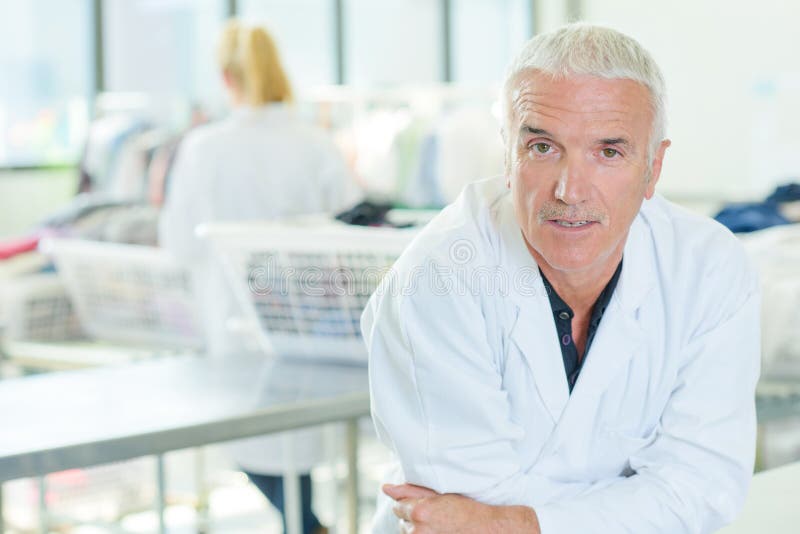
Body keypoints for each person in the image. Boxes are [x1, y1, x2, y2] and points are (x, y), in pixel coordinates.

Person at [362, 23, 760, 534]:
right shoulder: (438, 278)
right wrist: (641, 502)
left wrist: (512, 525)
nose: (571, 191)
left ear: (653, 168)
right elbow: (462, 504)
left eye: (609, 152)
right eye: (544, 148)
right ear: (508, 155)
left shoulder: (709, 268)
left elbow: (702, 489)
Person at [160, 20, 359, 534]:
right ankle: (309, 525)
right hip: (309, 322)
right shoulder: (314, 142)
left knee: (251, 439)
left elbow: (178, 244)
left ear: (226, 78)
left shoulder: (204, 148)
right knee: (295, 442)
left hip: (231, 319)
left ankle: (310, 527)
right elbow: (351, 226)